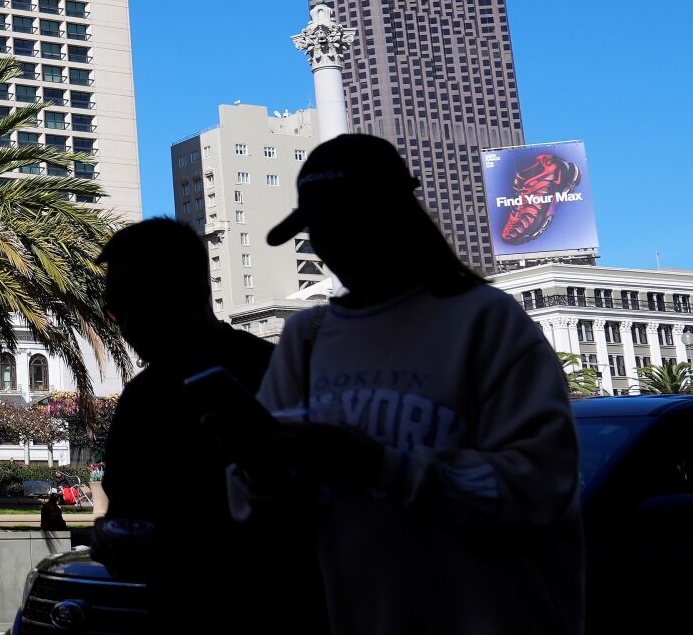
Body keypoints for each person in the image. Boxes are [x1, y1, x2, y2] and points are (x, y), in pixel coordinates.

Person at [227, 134, 583, 635]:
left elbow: (543, 484)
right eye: (317, 229)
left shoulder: (485, 322)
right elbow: (253, 509)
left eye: (345, 223)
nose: (329, 243)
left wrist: (381, 465)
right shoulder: (306, 339)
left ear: (394, 216)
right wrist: (258, 464)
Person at [97, 216, 289, 632]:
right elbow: (125, 502)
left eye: (135, 306)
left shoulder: (274, 375)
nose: (124, 326)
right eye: (114, 311)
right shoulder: (139, 397)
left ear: (189, 293)